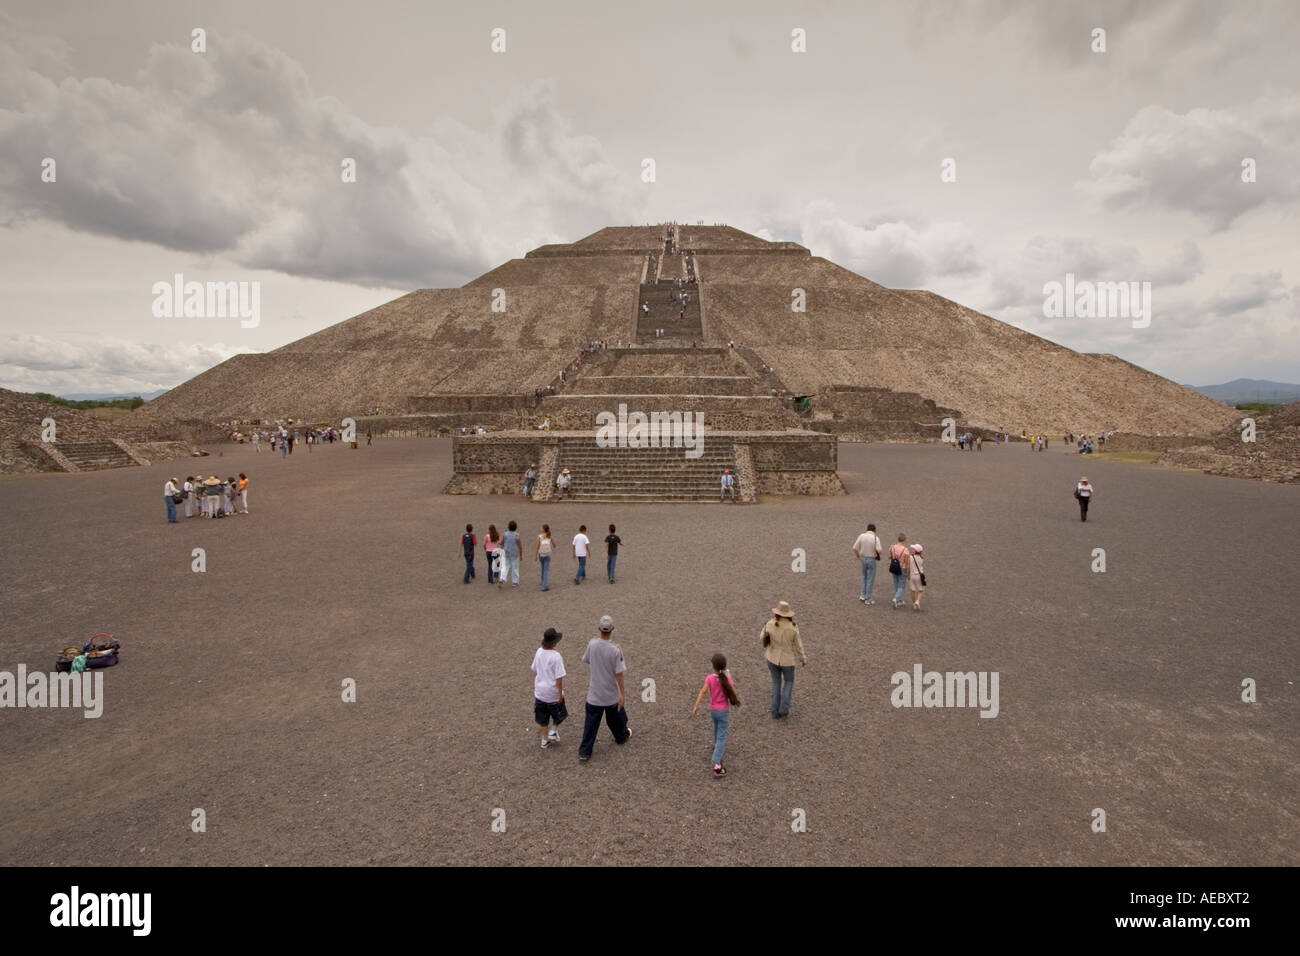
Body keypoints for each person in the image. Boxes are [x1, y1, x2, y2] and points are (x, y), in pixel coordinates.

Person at [578, 615, 630, 762]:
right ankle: (621, 737)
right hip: (610, 695)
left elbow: (587, 660)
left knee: (590, 725)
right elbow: (619, 674)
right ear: (612, 629)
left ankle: (585, 751)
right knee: (615, 720)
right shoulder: (615, 650)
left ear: (599, 629)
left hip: (594, 694)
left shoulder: (592, 645)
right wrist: (622, 694)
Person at [691, 653, 740, 778]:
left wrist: (696, 706)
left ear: (713, 666)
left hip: (713, 710)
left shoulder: (710, 678)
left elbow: (702, 692)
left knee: (716, 728)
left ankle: (716, 745)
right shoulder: (726, 679)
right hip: (723, 711)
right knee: (722, 735)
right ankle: (717, 765)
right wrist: (730, 678)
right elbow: (734, 691)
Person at [761, 601, 806, 719]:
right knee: (789, 682)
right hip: (787, 660)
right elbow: (798, 645)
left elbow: (761, 637)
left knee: (776, 683)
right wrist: (803, 659)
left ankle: (774, 710)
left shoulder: (770, 624)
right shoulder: (793, 628)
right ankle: (784, 707)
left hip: (772, 658)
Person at [532, 628, 567, 749]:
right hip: (552, 692)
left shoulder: (538, 652)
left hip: (540, 692)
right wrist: (560, 694)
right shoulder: (556, 657)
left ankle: (544, 740)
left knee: (543, 718)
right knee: (560, 714)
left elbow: (535, 668)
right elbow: (559, 678)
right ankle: (554, 730)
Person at [852, 522, 882, 604]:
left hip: (863, 558)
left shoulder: (862, 536)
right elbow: (879, 550)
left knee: (864, 576)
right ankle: (868, 598)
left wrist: (858, 556)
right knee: (870, 579)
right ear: (874, 530)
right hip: (871, 559)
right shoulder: (876, 538)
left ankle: (862, 595)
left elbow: (854, 547)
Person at [502, 520, 522, 588]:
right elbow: (520, 545)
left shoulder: (505, 534)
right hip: (515, 554)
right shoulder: (517, 535)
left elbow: (502, 542)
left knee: (506, 566)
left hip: (506, 552)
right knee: (515, 568)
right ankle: (515, 582)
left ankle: (503, 578)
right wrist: (521, 554)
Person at [908, 543, 926, 611]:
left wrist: (908, 574)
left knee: (913, 590)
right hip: (919, 575)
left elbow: (908, 566)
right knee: (920, 590)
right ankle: (917, 601)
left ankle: (914, 604)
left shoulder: (911, 557)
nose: (912, 550)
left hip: (912, 575)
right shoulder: (921, 559)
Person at [536, 524, 554, 590]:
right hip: (547, 554)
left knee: (543, 568)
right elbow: (554, 544)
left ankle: (543, 583)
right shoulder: (549, 536)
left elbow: (537, 546)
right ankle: (545, 584)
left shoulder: (539, 536)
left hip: (541, 554)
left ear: (543, 529)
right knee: (546, 570)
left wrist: (536, 555)